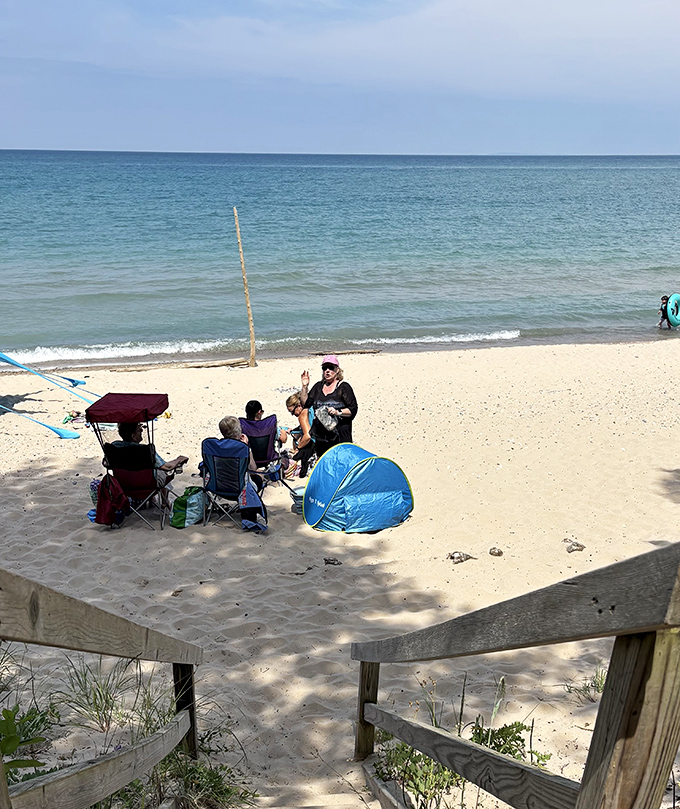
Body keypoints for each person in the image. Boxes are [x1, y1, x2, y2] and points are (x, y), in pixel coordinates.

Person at [300, 354, 358, 457]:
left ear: (337, 370)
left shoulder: (343, 387)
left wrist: (338, 412)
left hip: (340, 437)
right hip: (321, 438)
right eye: (324, 368)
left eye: (331, 368)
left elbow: (353, 409)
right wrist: (304, 387)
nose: (327, 371)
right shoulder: (318, 387)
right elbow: (306, 404)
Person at [112, 422, 188, 485]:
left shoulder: (114, 446)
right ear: (133, 436)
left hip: (122, 482)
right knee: (164, 474)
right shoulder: (144, 450)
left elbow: (107, 464)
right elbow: (167, 467)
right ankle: (164, 498)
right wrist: (179, 459)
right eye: (139, 430)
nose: (142, 430)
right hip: (146, 483)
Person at [286, 391, 315, 477]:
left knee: (298, 442)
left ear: (299, 406)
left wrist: (298, 449)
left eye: (292, 412)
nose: (293, 415)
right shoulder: (310, 409)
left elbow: (307, 436)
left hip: (315, 442)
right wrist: (294, 430)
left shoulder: (302, 415)